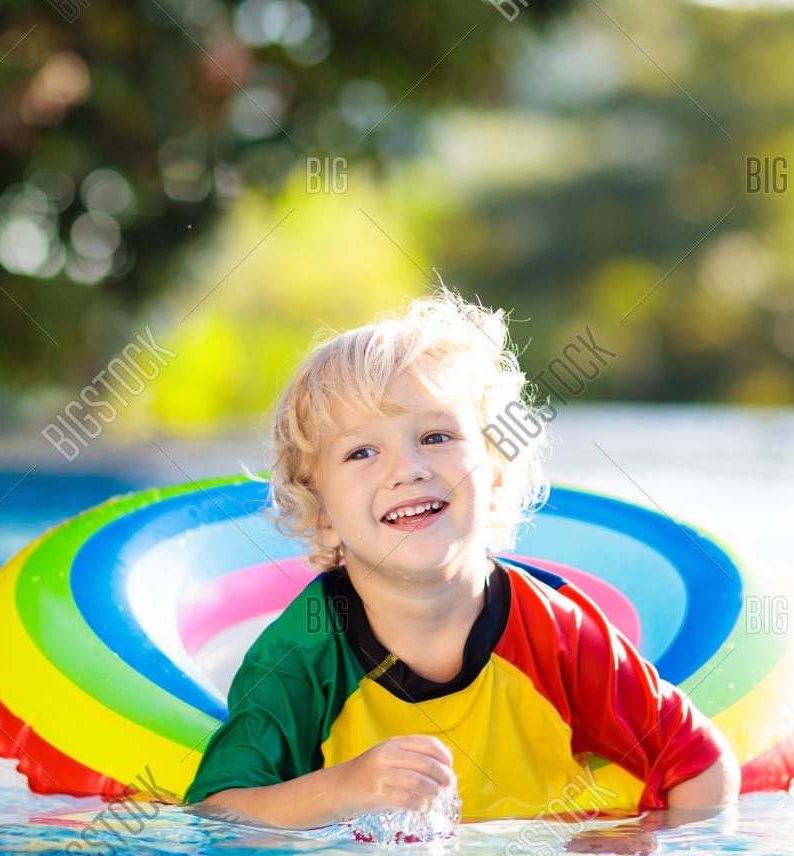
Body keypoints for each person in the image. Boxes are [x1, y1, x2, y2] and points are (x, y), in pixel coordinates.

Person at [183, 286, 740, 828]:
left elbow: (701, 763)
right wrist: (347, 788)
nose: (408, 468)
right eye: (362, 451)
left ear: (495, 479)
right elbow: (218, 811)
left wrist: (639, 851)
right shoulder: (300, 655)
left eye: (435, 437)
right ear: (323, 513)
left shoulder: (560, 635)